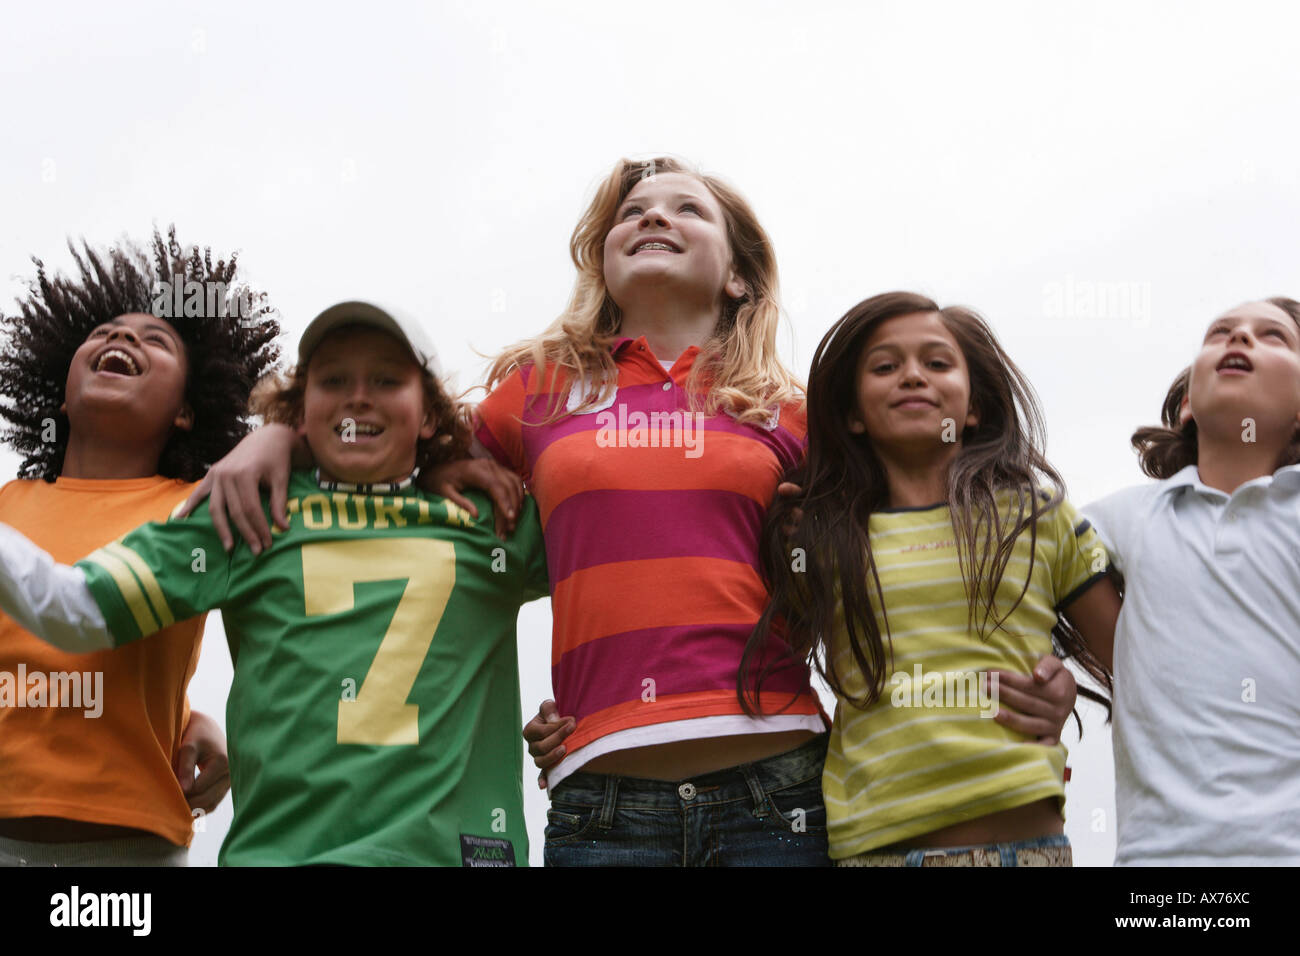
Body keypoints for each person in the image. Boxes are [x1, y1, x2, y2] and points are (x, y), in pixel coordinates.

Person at [176, 157, 1081, 867]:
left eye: (689, 210)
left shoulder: (791, 413)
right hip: (601, 798)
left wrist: (1038, 676)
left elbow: (911, 547)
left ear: (737, 276)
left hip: (778, 782)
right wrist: (279, 432)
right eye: (633, 211)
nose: (654, 217)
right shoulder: (537, 393)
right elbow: (383, 433)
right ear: (604, 262)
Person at [0, 301, 550, 865]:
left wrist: (589, 715)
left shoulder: (488, 519)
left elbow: (619, 558)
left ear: (430, 414)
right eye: (333, 380)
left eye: (386, 380)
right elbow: (74, 608)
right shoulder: (245, 512)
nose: (358, 396)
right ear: (299, 413)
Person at [744, 291, 1118, 867]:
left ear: (972, 408)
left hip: (1027, 848)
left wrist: (1062, 682)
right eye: (886, 366)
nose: (913, 376)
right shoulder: (821, 538)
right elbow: (763, 652)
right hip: (875, 852)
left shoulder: (1037, 514)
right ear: (852, 414)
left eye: (937, 363)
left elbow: (1134, 662)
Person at [0, 227, 278, 865]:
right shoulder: (7, 505)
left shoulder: (203, 508)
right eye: (101, 335)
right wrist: (190, 717)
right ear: (61, 395)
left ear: (186, 409)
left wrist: (198, 721)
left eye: (155, 340)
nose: (119, 338)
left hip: (133, 849)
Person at [1083, 297, 1300, 866]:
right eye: (1220, 332)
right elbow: (1015, 565)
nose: (1241, 338)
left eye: (1274, 336)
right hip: (1158, 865)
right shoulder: (1123, 518)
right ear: (1187, 406)